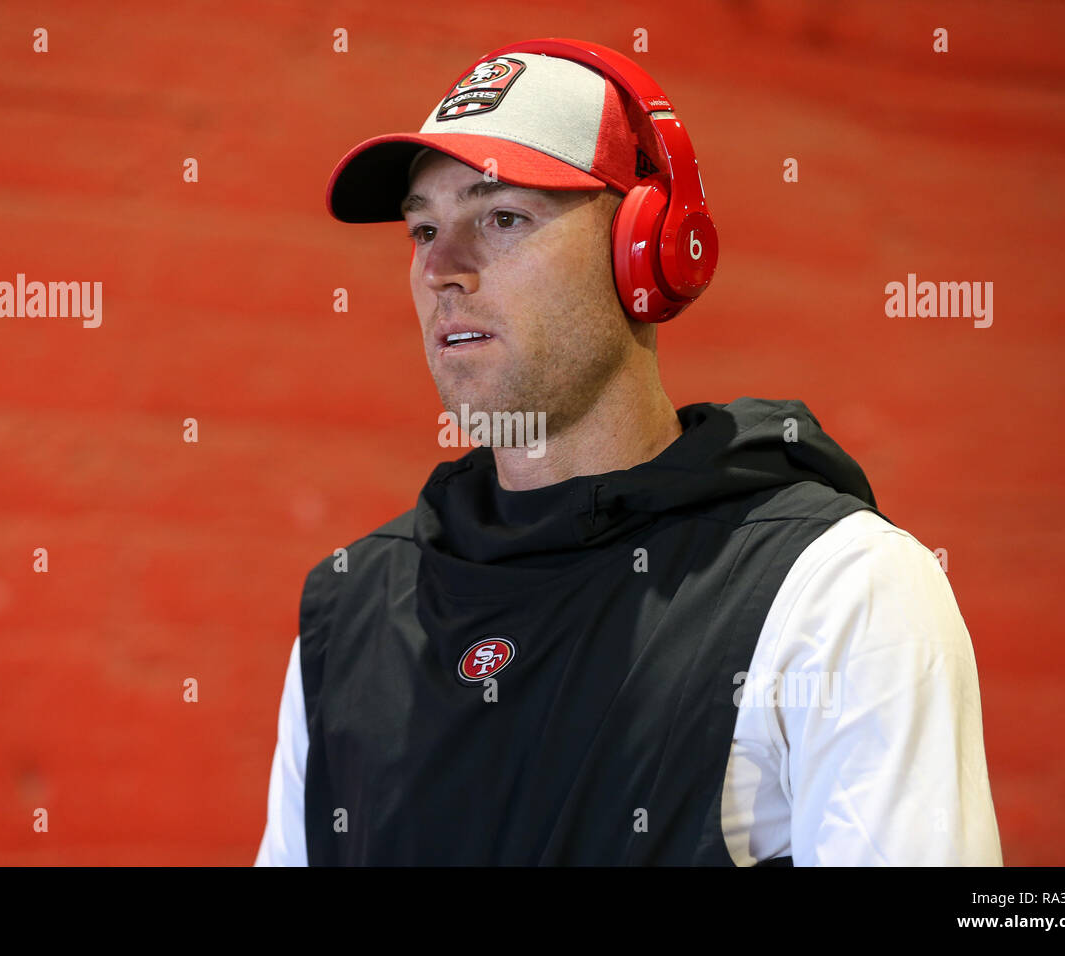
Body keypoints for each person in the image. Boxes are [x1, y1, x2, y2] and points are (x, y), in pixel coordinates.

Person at [255, 38, 1003, 866]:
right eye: (424, 227)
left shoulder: (836, 590)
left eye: (502, 216)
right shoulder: (352, 609)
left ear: (646, 253)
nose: (442, 268)